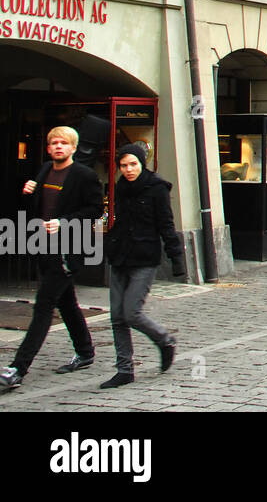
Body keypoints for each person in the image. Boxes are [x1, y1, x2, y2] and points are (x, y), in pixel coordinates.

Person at [0, 127, 104, 393]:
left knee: (44, 305)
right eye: (54, 143)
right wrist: (26, 193)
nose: (58, 147)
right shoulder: (45, 169)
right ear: (48, 148)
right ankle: (85, 351)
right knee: (67, 302)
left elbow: (95, 211)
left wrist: (64, 222)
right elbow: (31, 209)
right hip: (43, 248)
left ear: (73, 147)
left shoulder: (84, 175)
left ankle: (17, 368)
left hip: (67, 251)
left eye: (64, 143)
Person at [99, 143, 185, 389]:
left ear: (141, 163)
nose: (128, 170)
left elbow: (166, 225)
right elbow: (116, 220)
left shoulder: (157, 189)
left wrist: (176, 258)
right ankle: (124, 370)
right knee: (117, 317)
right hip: (120, 257)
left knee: (131, 313)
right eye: (124, 165)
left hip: (145, 258)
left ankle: (164, 340)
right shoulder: (121, 188)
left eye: (133, 164)